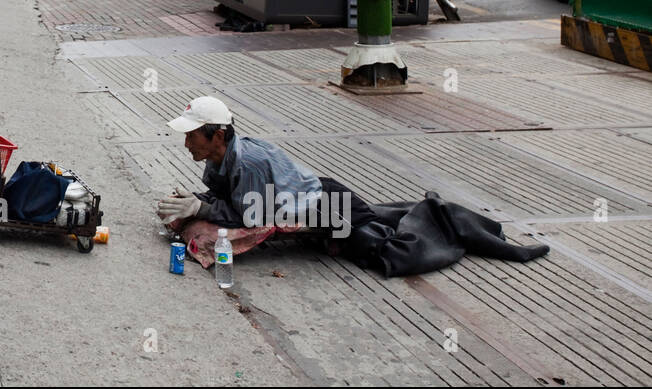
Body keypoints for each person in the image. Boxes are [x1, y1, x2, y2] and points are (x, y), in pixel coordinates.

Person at [157, 96, 550, 276]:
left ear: (218, 135)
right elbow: (232, 201)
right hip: (316, 206)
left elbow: (249, 215)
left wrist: (202, 209)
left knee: (391, 252)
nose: (187, 142)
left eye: (193, 135)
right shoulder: (219, 159)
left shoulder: (252, 161)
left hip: (330, 206)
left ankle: (494, 243)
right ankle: (452, 223)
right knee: (385, 222)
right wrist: (196, 200)